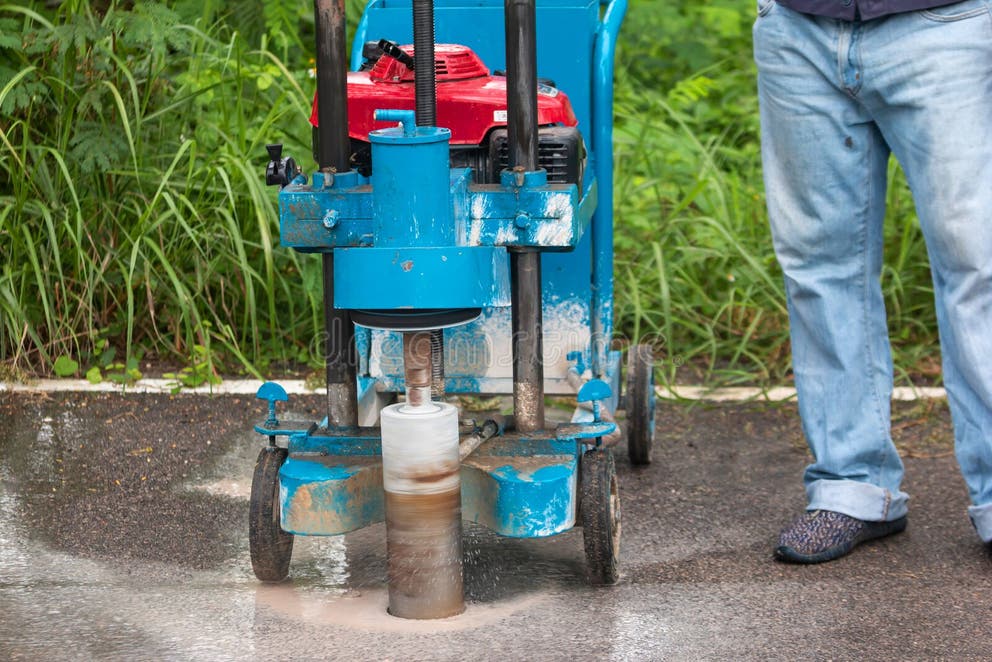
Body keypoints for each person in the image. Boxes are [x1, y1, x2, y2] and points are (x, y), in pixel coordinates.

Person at [753, 0, 992, 563]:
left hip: (944, 25)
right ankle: (852, 485)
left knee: (976, 260)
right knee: (818, 262)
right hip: (798, 28)